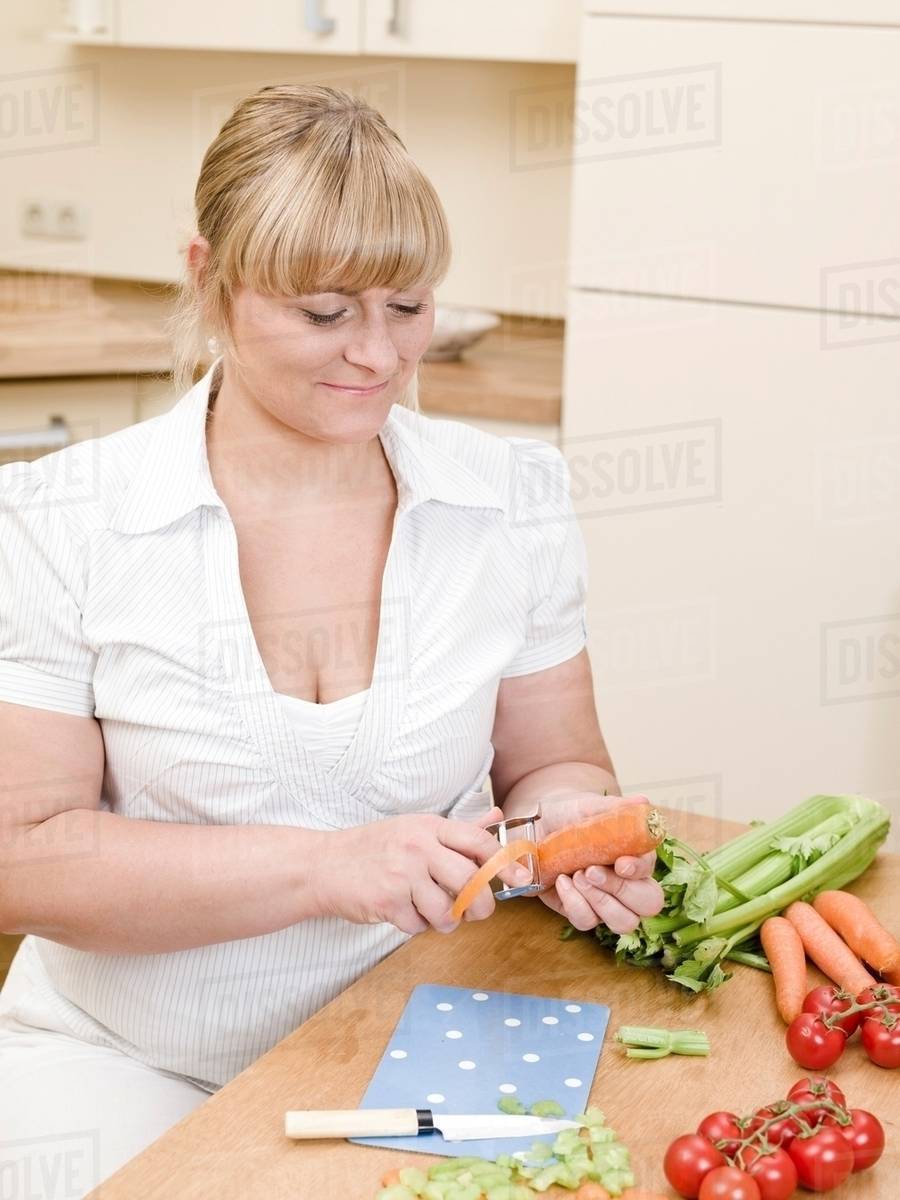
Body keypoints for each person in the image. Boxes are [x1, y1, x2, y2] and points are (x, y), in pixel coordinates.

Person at [0, 84, 664, 1196]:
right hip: (126, 1057)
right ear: (209, 277)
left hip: (435, 1027)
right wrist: (328, 867)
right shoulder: (59, 522)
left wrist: (572, 829)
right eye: (324, 312)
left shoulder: (512, 499)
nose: (377, 355)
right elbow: (20, 860)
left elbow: (554, 761)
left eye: (409, 308)